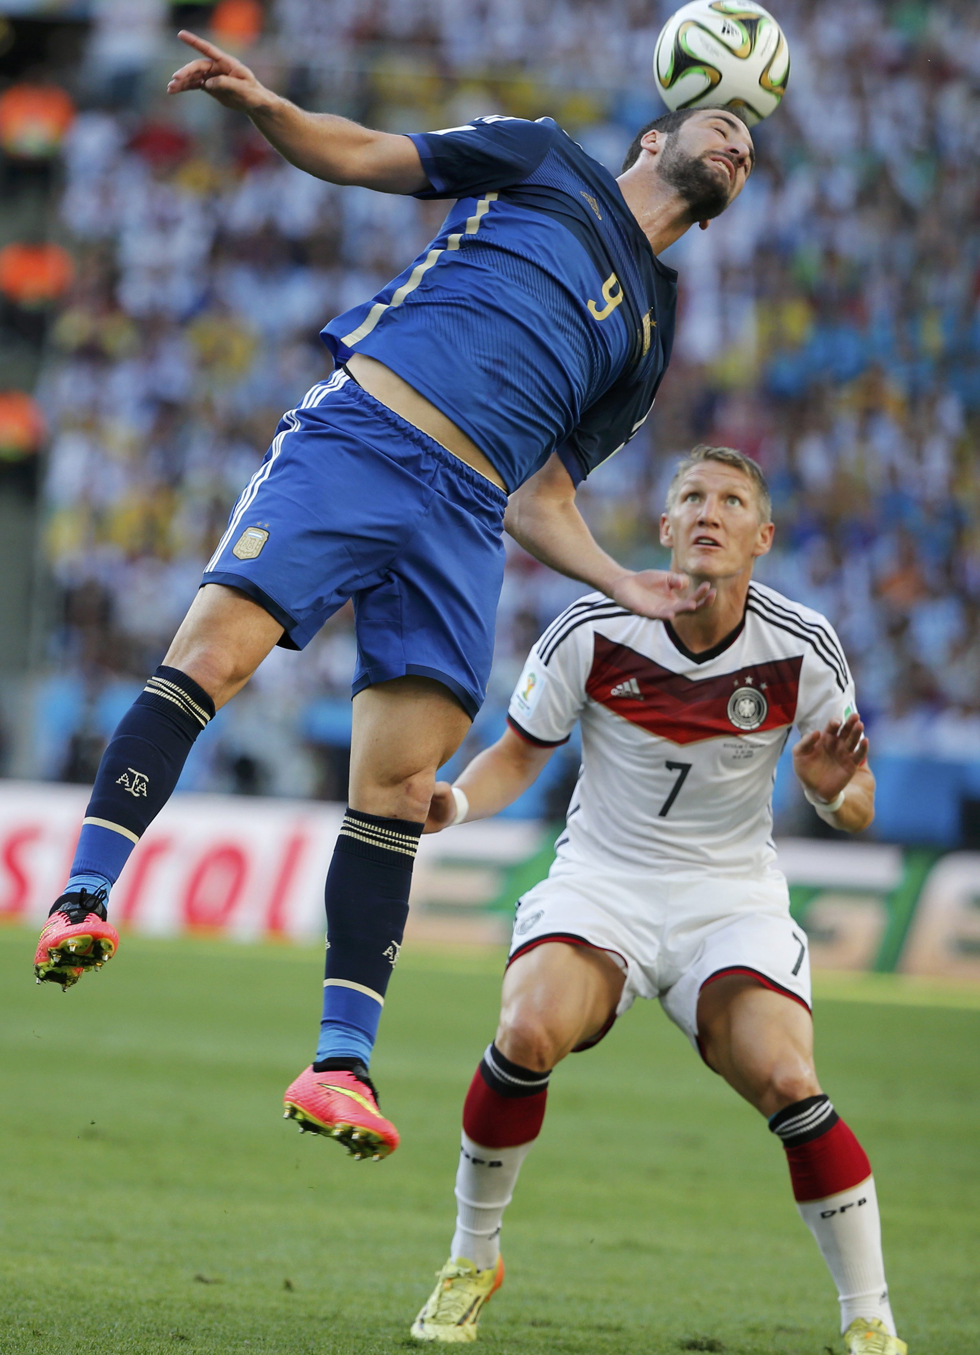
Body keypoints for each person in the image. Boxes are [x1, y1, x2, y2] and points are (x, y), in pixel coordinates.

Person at [33, 29, 755, 1162]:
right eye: (721, 124)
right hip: (363, 436)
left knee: (401, 784)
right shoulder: (541, 158)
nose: (735, 144)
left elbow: (544, 488)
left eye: (750, 148)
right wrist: (269, 106)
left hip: (466, 516)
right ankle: (82, 892)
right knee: (213, 654)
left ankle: (338, 1064)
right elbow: (372, 153)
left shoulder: (651, 335)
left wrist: (621, 578)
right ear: (655, 133)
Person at [409, 445, 906, 1355]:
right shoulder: (593, 627)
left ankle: (868, 1318)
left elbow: (859, 798)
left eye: (730, 500)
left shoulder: (803, 644)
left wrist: (835, 791)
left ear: (761, 536)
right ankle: (470, 1260)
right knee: (525, 1031)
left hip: (731, 900)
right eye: (691, 498)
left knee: (791, 1080)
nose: (708, 512)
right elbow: (521, 750)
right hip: (604, 884)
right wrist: (459, 800)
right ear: (668, 527)